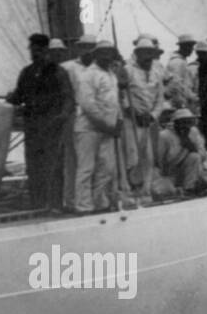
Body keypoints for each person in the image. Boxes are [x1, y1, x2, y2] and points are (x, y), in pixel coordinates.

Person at [6, 34, 72, 212]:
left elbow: (68, 98)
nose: (34, 54)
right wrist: (12, 98)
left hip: (51, 126)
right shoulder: (26, 73)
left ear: (45, 50)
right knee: (34, 165)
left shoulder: (58, 72)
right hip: (33, 126)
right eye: (32, 50)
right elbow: (19, 96)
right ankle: (38, 203)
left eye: (38, 50)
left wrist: (63, 116)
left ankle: (53, 204)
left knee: (52, 165)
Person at [72, 40, 120, 213]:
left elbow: (114, 102)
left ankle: (100, 202)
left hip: (107, 128)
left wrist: (117, 121)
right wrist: (105, 124)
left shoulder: (111, 74)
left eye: (110, 53)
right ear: (96, 55)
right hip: (88, 128)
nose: (107, 56)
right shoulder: (88, 75)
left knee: (106, 168)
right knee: (86, 169)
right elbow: (88, 105)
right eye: (103, 53)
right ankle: (83, 206)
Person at [60, 34, 97, 211]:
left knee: (90, 162)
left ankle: (88, 199)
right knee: (72, 161)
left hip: (95, 120)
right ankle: (71, 201)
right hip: (73, 116)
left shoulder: (99, 70)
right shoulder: (67, 68)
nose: (88, 51)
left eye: (92, 48)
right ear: (78, 49)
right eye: (85, 47)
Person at [125, 36, 165, 189]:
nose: (148, 57)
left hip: (148, 121)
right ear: (138, 54)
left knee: (148, 157)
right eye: (144, 53)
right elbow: (121, 95)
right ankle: (132, 188)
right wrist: (132, 111)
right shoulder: (128, 70)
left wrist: (152, 116)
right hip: (132, 121)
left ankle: (146, 191)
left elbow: (160, 100)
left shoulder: (156, 72)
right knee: (132, 157)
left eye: (150, 53)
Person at [156, 108, 205, 194]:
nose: (186, 126)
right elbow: (158, 160)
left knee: (195, 156)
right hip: (170, 174)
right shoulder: (164, 136)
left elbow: (203, 156)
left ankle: (189, 188)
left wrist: (192, 147)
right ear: (176, 123)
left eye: (189, 122)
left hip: (189, 172)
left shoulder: (194, 132)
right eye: (183, 122)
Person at [164, 33, 198, 112]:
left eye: (192, 47)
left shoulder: (182, 61)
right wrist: (181, 104)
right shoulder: (178, 63)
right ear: (182, 47)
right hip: (179, 104)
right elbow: (176, 85)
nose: (191, 49)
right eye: (189, 46)